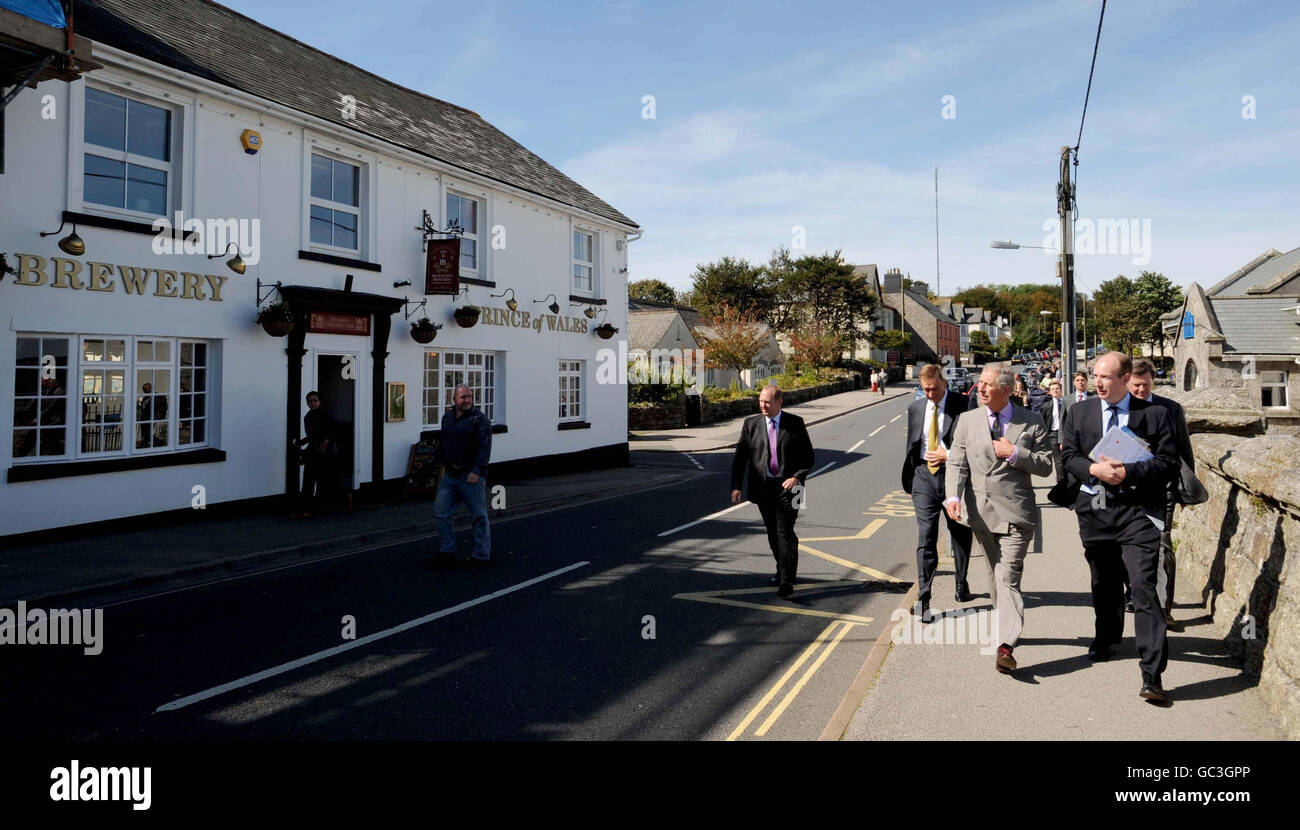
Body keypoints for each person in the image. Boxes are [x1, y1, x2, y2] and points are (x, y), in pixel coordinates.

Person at [1059, 352, 1178, 703]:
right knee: (1104, 582)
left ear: (1126, 379)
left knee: (1143, 586)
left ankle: (1152, 674)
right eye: (1095, 375)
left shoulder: (1156, 414)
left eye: (1106, 377)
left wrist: (1127, 471)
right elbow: (1068, 458)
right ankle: (1106, 637)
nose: (1098, 382)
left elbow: (1169, 463)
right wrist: (1093, 470)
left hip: (1138, 512)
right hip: (1095, 511)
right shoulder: (1079, 412)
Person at [944, 365, 1054, 674]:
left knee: (1008, 577)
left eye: (987, 385)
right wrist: (952, 497)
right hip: (979, 514)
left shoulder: (1031, 421)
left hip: (1016, 514)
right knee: (995, 577)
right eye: (980, 383)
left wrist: (1014, 453)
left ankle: (1005, 646)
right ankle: (1006, 620)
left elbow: (1046, 466)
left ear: (1006, 390)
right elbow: (957, 463)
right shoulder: (967, 420)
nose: (980, 389)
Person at [901, 364, 974, 620]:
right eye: (925, 390)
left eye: (933, 389)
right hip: (923, 476)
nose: (930, 394)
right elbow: (912, 445)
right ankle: (924, 597)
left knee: (959, 533)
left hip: (954, 475)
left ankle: (960, 582)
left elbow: (975, 446)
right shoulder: (916, 408)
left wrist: (949, 455)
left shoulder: (964, 405)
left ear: (943, 382)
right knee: (926, 536)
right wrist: (910, 480)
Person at [1128, 359, 1194, 631]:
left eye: (1145, 385)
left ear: (1153, 381)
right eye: (1135, 386)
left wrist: (1186, 491)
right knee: (1127, 551)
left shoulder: (1170, 408)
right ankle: (1136, 595)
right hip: (1123, 492)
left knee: (1163, 547)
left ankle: (1164, 609)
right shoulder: (1116, 409)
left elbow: (1183, 451)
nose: (1141, 390)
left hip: (1162, 490)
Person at [731, 384, 815, 597]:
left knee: (785, 532)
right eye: (760, 401)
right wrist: (736, 486)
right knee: (772, 533)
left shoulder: (795, 423)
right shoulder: (751, 424)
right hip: (763, 488)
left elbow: (808, 457)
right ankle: (782, 569)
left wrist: (796, 477)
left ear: (779, 402)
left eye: (767, 402)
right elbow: (741, 458)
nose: (763, 405)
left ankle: (786, 580)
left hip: (793, 488)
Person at [434, 384, 493, 566]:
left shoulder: (479, 419)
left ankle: (481, 555)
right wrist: (436, 463)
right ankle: (447, 550)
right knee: (440, 512)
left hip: (471, 476)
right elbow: (444, 442)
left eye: (470, 396)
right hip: (450, 475)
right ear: (454, 400)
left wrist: (477, 471)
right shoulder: (448, 417)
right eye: (463, 397)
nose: (467, 400)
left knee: (479, 516)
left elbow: (485, 447)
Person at [293, 391, 337, 518]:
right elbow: (311, 436)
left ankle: (322, 508)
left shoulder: (327, 415)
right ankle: (306, 509)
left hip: (326, 453)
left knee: (323, 481)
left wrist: (326, 441)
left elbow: (334, 431)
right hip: (313, 451)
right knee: (308, 480)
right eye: (310, 401)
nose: (312, 403)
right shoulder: (308, 417)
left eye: (315, 400)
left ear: (320, 401)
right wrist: (300, 443)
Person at [1036, 379, 1067, 483]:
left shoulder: (1067, 403)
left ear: (1061, 390)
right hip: (1053, 434)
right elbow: (1042, 422)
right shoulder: (1046, 406)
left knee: (1068, 460)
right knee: (1059, 462)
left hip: (1066, 435)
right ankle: (1061, 486)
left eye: (1057, 389)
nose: (1055, 391)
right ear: (1049, 391)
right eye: (1053, 389)